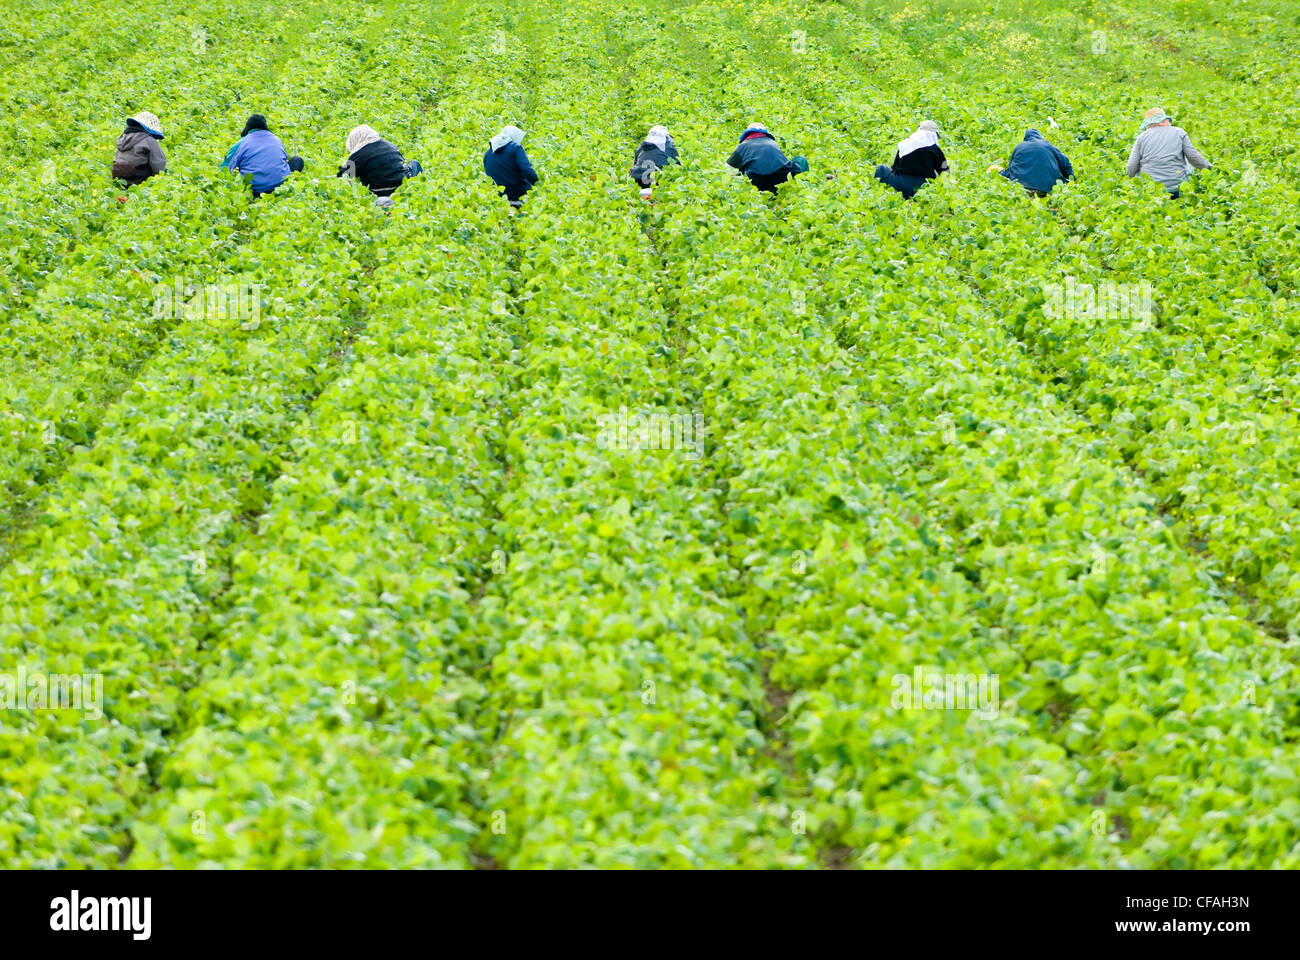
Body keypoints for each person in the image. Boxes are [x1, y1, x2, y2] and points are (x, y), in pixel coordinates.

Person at [1125, 108, 1211, 199]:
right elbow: (1194, 158)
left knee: (1140, 165)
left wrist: (1130, 181)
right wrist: (1210, 169)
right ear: (1165, 120)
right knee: (1187, 161)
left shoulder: (1141, 138)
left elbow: (1131, 165)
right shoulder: (1179, 132)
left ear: (1148, 124)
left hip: (1151, 190)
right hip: (1177, 188)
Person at [220, 114, 304, 197]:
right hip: (279, 185)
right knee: (297, 160)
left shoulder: (241, 143)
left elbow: (226, 170)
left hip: (252, 188)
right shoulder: (276, 139)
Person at [337, 124, 422, 199]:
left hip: (377, 192)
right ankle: (418, 191)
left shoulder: (357, 155)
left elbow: (343, 175)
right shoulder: (389, 145)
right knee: (415, 163)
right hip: (402, 186)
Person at [725, 123, 808, 194]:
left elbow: (728, 168)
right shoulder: (772, 142)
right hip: (783, 178)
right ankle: (805, 187)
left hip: (759, 184)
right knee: (800, 159)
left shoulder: (743, 145)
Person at [874, 120, 947, 199]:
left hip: (899, 185)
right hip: (922, 189)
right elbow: (945, 171)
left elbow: (895, 167)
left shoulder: (905, 144)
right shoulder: (935, 150)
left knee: (881, 169)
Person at [990, 128, 1074, 196]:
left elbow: (1011, 167)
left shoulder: (1020, 146)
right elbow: (1066, 163)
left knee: (993, 168)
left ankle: (989, 188)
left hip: (1020, 186)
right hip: (1047, 189)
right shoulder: (1047, 144)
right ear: (1040, 136)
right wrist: (1072, 180)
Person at [484, 125, 538, 207]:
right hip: (519, 197)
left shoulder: (488, 153)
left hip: (499, 200)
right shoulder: (515, 148)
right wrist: (538, 184)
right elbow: (527, 170)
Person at [112, 111, 167, 187]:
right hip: (137, 179)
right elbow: (159, 165)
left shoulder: (123, 137)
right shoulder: (149, 140)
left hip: (118, 178)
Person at [630, 124, 679, 198]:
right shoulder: (668, 147)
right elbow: (677, 165)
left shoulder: (642, 147)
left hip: (638, 180)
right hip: (657, 183)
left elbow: (635, 163)